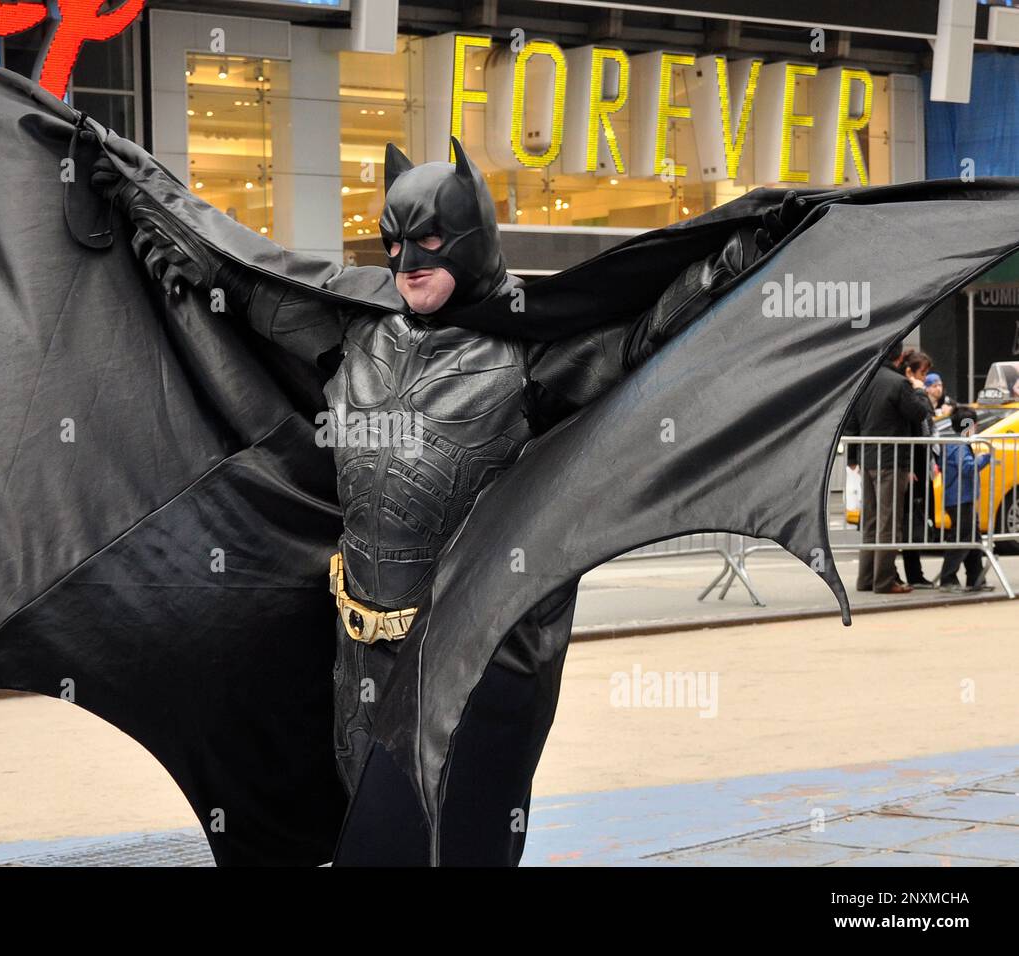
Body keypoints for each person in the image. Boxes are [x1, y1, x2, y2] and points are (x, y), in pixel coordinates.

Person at [93, 135, 777, 864]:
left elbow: (646, 337)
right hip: (356, 651)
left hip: (469, 658)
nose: (407, 265)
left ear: (473, 241)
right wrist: (147, 197)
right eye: (393, 245)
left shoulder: (532, 356)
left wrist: (736, 259)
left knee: (441, 844)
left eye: (428, 243)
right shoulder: (356, 330)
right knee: (368, 829)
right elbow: (250, 279)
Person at [849, 342, 935, 594]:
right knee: (889, 523)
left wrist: (853, 457)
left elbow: (852, 421)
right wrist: (919, 390)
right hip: (891, 460)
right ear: (899, 359)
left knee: (871, 522)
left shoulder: (865, 380)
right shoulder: (899, 384)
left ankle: (866, 579)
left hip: (868, 458)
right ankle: (885, 581)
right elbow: (920, 413)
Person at [938, 406, 995, 592]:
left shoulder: (956, 443)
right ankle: (948, 578)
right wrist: (985, 458)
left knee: (973, 537)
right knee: (963, 537)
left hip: (961, 497)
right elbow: (968, 468)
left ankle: (975, 578)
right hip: (960, 498)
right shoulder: (959, 444)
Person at [896, 349, 936, 589]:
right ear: (910, 371)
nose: (925, 378)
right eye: (923, 372)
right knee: (908, 520)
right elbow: (918, 418)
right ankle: (912, 572)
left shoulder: (914, 391)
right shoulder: (909, 392)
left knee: (916, 519)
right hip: (912, 466)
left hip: (922, 465)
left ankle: (915, 572)